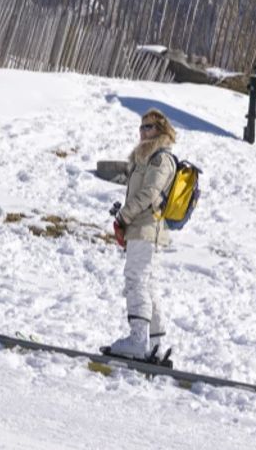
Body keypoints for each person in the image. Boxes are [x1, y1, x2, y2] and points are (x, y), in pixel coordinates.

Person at [105, 109, 178, 360]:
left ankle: (138, 340)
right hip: (145, 229)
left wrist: (124, 216)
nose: (143, 131)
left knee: (136, 279)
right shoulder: (148, 157)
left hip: (146, 229)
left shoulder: (160, 159)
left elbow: (150, 193)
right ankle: (155, 343)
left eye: (149, 127)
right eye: (141, 126)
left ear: (160, 130)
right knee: (148, 283)